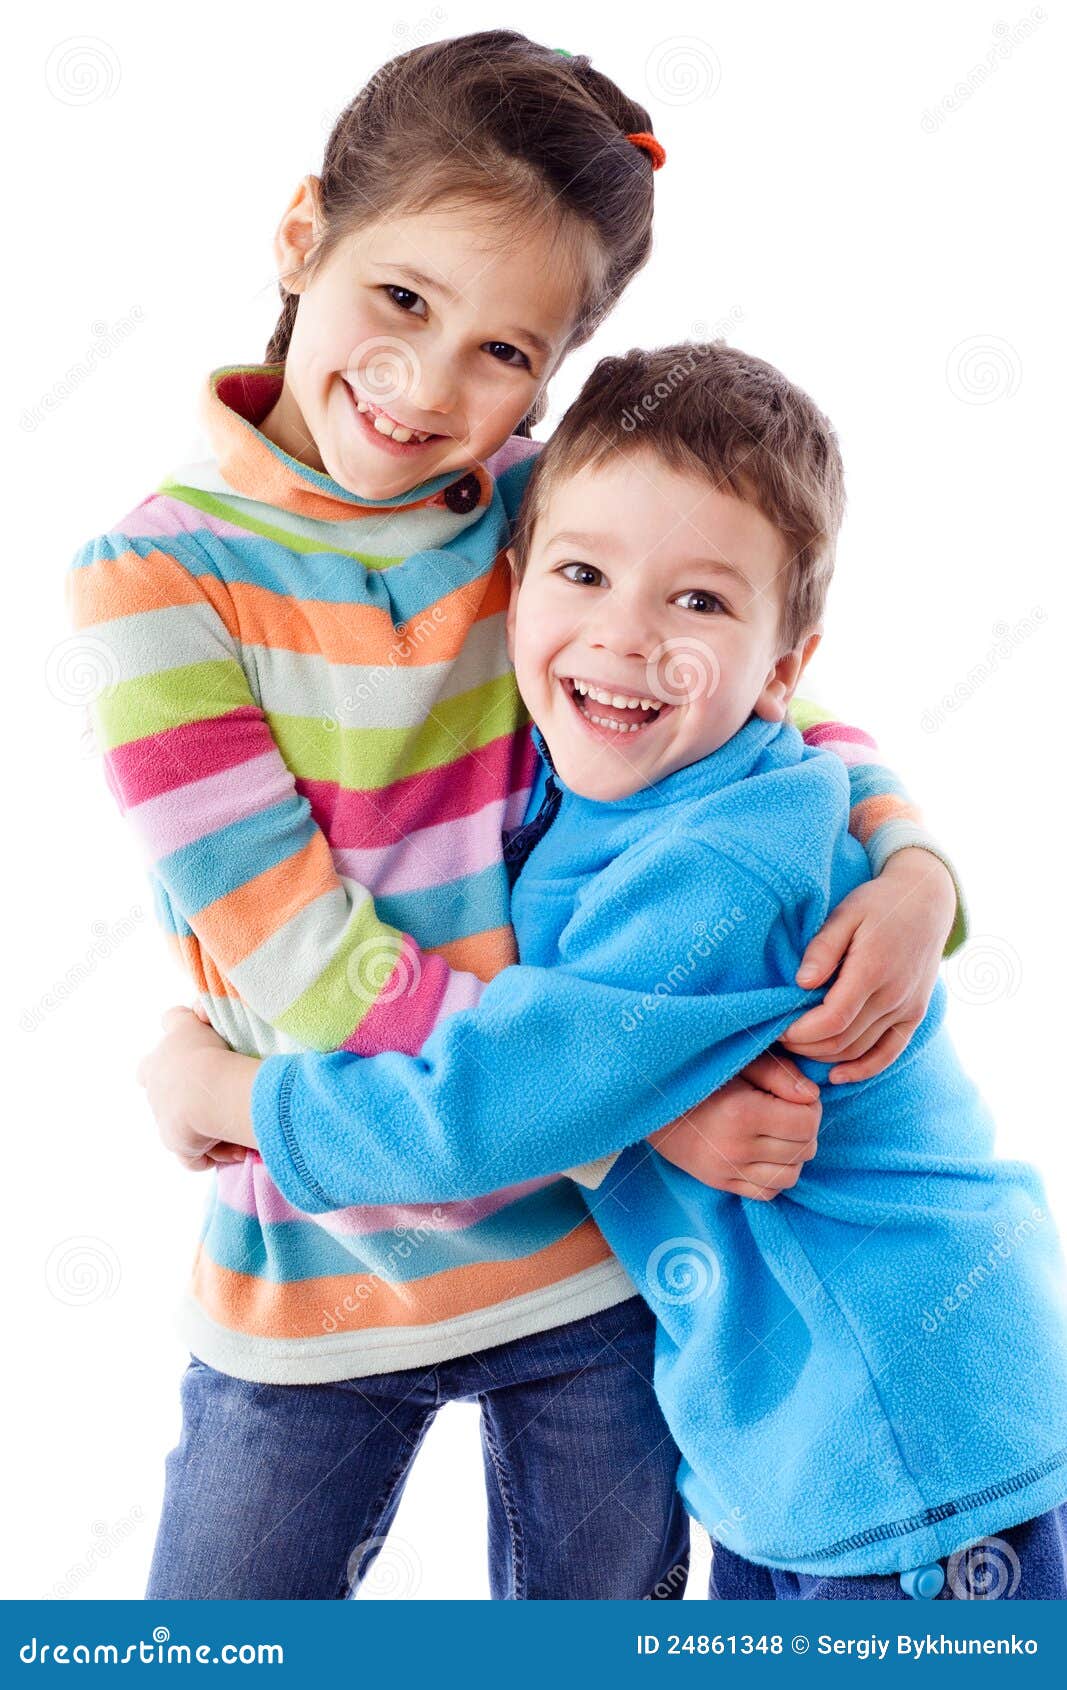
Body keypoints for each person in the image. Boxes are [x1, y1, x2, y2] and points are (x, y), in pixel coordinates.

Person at [71, 31, 962, 1600]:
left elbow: (756, 691)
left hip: (592, 1266)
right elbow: (299, 962)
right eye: (401, 300)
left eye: (505, 354)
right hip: (315, 1263)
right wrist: (639, 1101)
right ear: (301, 237)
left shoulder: (535, 510)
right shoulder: (157, 583)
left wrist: (907, 856)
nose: (427, 387)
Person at [141, 341, 1067, 1600]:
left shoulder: (714, 868)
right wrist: (912, 860)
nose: (628, 636)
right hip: (793, 1459)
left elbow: (478, 1110)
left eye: (698, 603)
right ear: (513, 595)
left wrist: (224, 1096)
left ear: (779, 670)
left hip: (907, 1455)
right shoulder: (604, 776)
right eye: (583, 573)